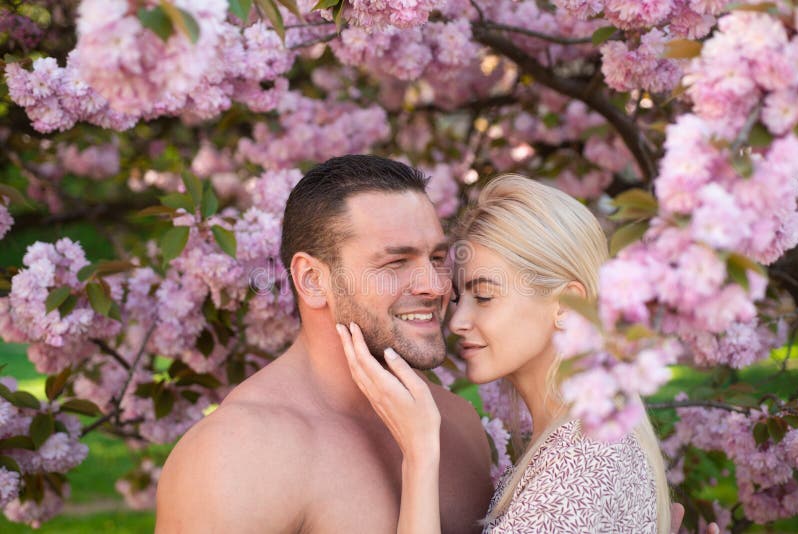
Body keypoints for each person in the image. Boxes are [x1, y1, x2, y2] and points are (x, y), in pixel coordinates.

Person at [154, 155, 494, 533]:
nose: (435, 285)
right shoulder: (236, 453)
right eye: (396, 262)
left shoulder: (457, 423)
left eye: (437, 258)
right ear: (313, 280)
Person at [336, 174, 681, 533]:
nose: (457, 322)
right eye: (459, 298)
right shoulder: (584, 441)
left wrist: (420, 453)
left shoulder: (576, 471)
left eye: (484, 297)